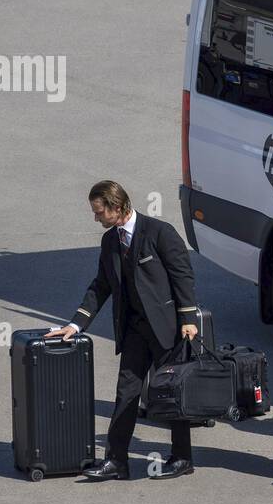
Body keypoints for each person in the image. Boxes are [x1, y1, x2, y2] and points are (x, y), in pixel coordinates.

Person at [47, 181, 201, 480]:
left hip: (168, 330)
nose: (96, 218)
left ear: (117, 207)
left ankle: (183, 458)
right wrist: (76, 324)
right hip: (134, 331)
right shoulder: (110, 242)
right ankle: (117, 461)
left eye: (99, 211)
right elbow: (101, 286)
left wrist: (188, 318)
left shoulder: (159, 232)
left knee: (172, 392)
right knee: (126, 392)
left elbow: (183, 275)